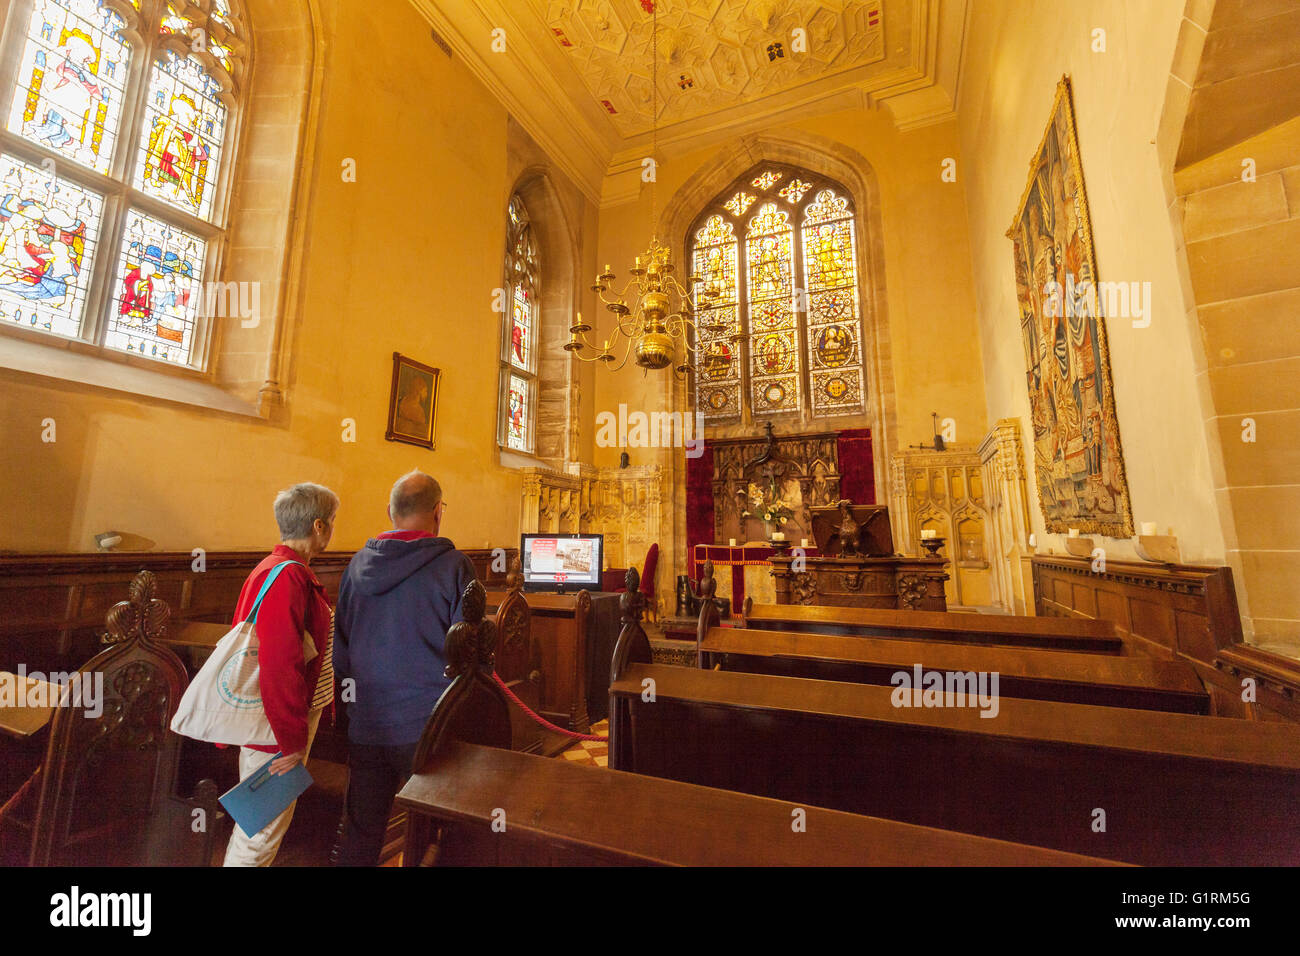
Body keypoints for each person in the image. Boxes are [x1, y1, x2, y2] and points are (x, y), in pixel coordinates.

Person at [332, 470, 475, 866]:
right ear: (437, 513)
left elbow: (340, 650)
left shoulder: (357, 566)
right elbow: (468, 654)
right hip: (428, 728)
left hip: (368, 723)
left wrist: (353, 711)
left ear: (390, 512)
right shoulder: (454, 566)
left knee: (361, 832)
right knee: (436, 833)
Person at [223, 481, 338, 867]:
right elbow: (278, 662)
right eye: (333, 521)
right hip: (277, 726)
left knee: (263, 823)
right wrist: (289, 741)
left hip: (277, 721)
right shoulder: (288, 575)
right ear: (318, 526)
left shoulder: (279, 568)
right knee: (262, 828)